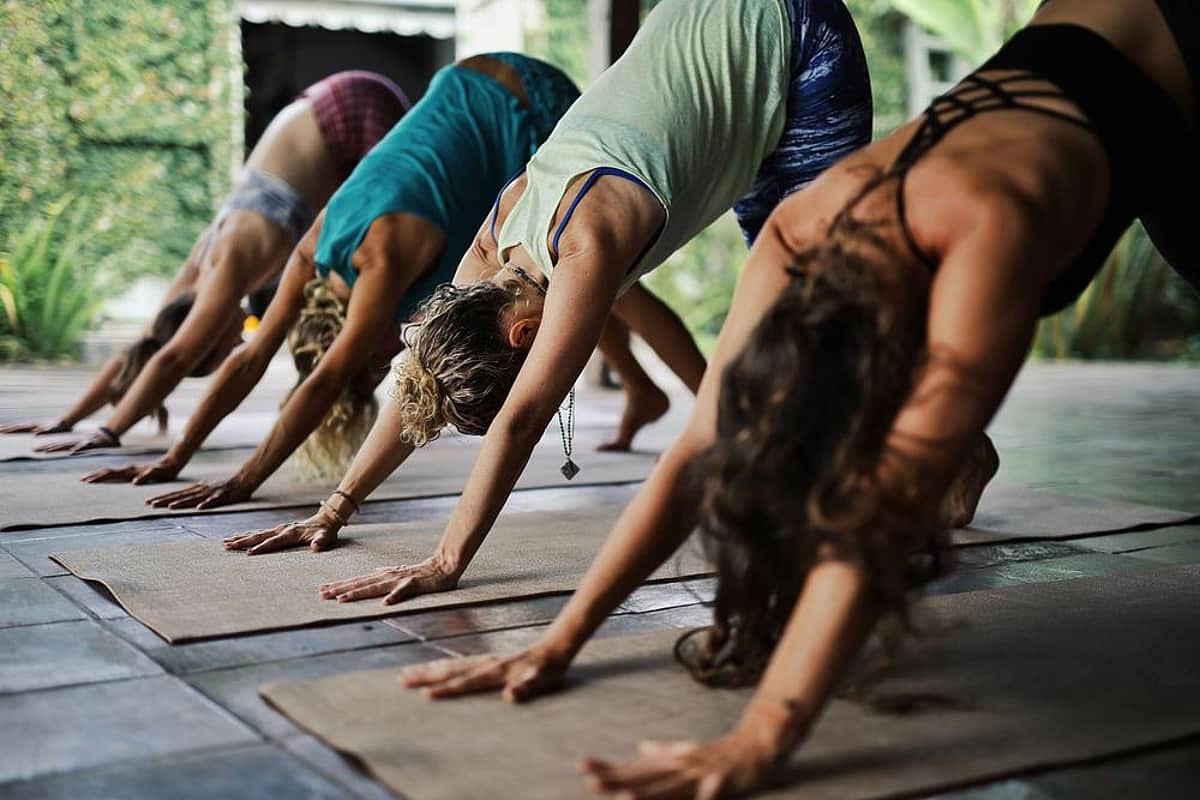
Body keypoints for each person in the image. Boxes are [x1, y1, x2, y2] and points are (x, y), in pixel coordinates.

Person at [396, 1, 1200, 797]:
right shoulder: (797, 230)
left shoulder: (988, 234)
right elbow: (693, 451)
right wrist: (560, 640)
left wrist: (764, 737)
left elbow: (881, 517)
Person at [313, 0, 874, 604]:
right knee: (790, 299)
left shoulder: (586, 247)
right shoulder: (495, 240)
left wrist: (446, 561)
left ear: (523, 337)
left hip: (789, 30)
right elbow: (422, 377)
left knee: (821, 304)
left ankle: (948, 447)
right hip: (706, 32)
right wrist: (335, 509)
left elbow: (520, 422)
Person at [84, 53, 700, 507]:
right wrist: (176, 458)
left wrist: (246, 481)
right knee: (565, 296)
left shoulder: (377, 267)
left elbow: (331, 378)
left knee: (602, 282)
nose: (393, 367)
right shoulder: (310, 259)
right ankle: (645, 389)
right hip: (463, 90)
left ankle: (711, 398)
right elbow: (249, 361)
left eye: (374, 364)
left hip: (516, 101)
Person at [2, 72, 410, 449]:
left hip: (351, 108)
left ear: (207, 343)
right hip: (328, 112)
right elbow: (146, 348)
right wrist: (69, 419)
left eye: (222, 347)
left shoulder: (228, 266)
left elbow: (174, 357)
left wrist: (108, 432)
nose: (236, 340)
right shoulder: (198, 269)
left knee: (402, 236)